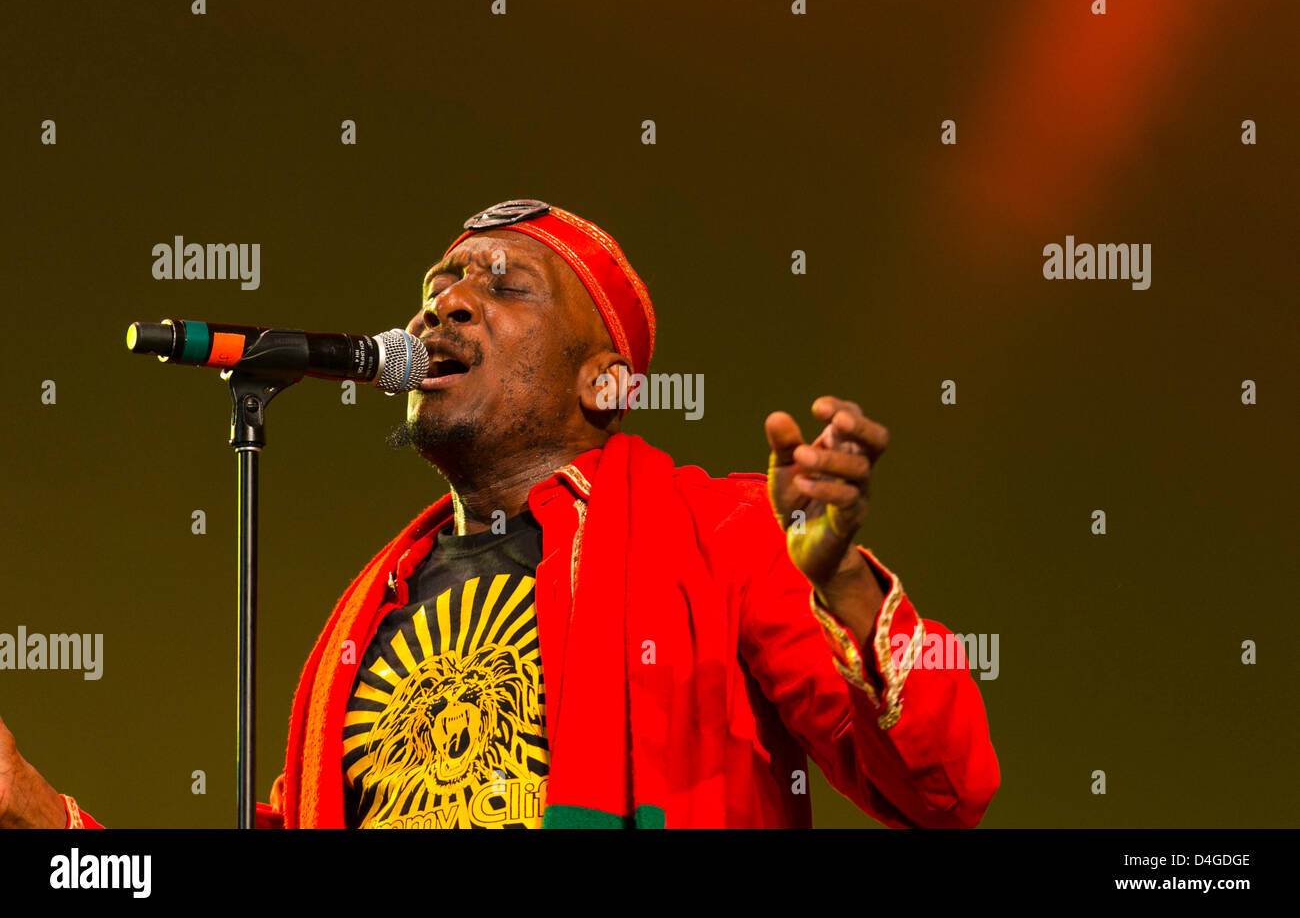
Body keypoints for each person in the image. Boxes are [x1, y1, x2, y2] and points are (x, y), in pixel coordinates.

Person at [0, 199, 999, 829]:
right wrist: (43, 817)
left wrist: (845, 585)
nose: (445, 305)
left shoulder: (721, 530)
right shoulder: (372, 609)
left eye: (502, 285)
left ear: (606, 383)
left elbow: (945, 789)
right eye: (436, 287)